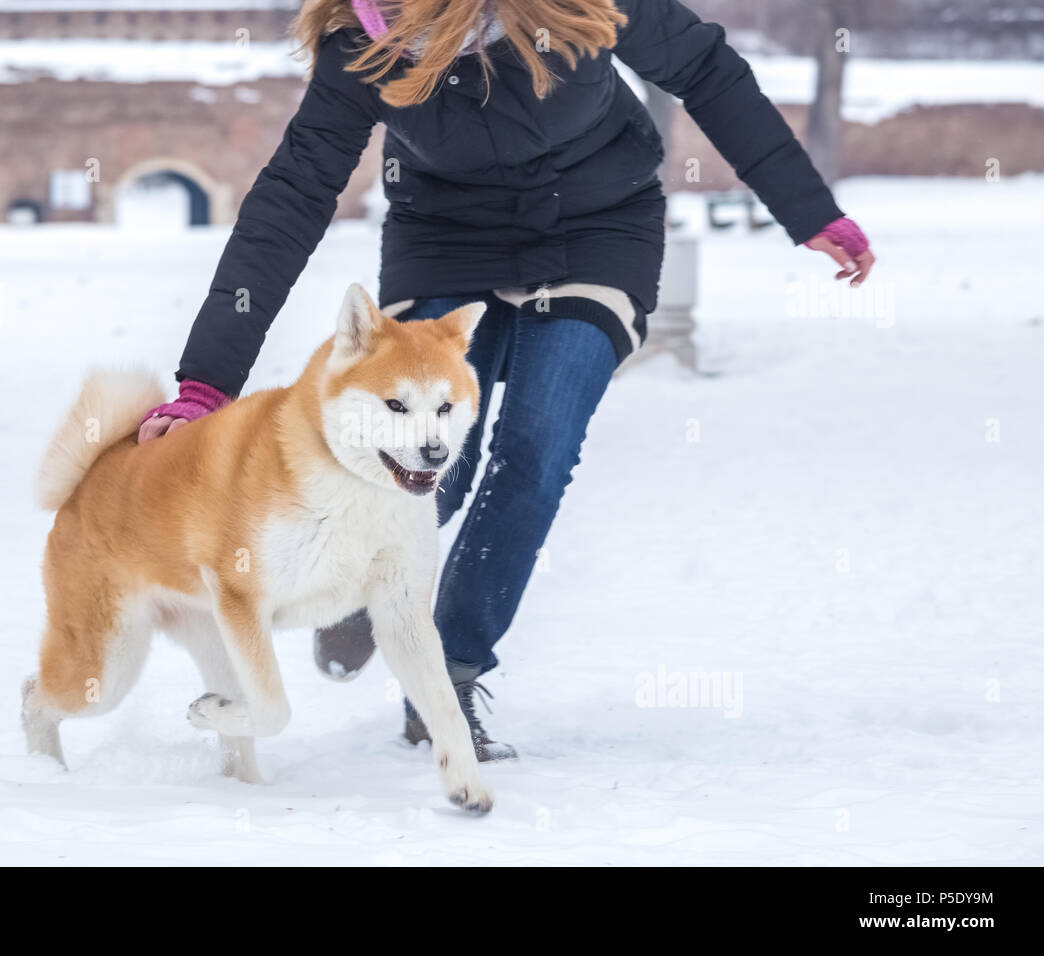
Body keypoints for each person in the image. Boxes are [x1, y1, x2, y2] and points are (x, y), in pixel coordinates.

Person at [138, 0, 876, 760]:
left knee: (537, 442)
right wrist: (207, 382)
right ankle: (372, 576)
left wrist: (806, 209)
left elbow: (707, 69)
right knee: (425, 454)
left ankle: (446, 677)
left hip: (595, 226)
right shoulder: (362, 44)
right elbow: (293, 194)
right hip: (444, 238)